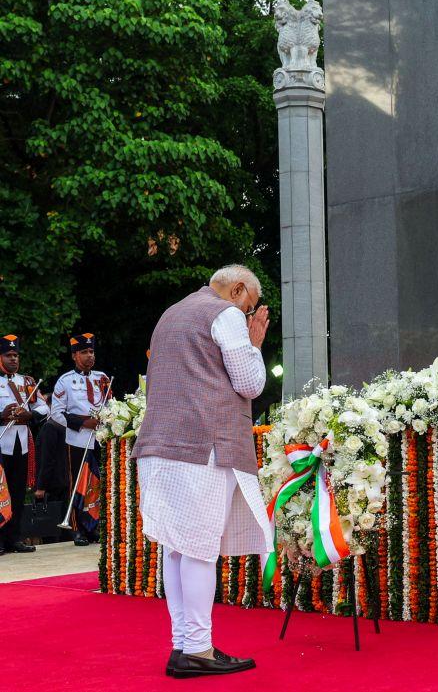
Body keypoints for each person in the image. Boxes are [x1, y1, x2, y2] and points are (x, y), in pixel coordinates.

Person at [132, 265, 270, 678]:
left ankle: (184, 645)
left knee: (177, 548)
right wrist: (254, 343)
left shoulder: (171, 313)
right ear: (239, 290)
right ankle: (197, 649)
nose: (248, 315)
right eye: (249, 307)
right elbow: (250, 383)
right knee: (198, 550)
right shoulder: (223, 312)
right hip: (201, 447)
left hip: (160, 446)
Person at [49, 333, 110, 545]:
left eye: (91, 351)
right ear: (75, 356)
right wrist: (84, 423)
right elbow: (56, 413)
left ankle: (95, 526)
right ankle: (76, 529)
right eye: (84, 352)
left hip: (100, 438)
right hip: (77, 440)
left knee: (99, 484)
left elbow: (110, 406)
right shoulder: (64, 381)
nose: (89, 356)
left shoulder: (102, 378)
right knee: (77, 484)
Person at [0, 335, 49, 555]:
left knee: (18, 493)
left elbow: (45, 408)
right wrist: (2, 415)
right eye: (8, 355)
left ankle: (14, 539)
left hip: (21, 443)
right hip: (2, 442)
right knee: (1, 493)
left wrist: (30, 414)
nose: (13, 359)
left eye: (16, 355)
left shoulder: (27, 382)